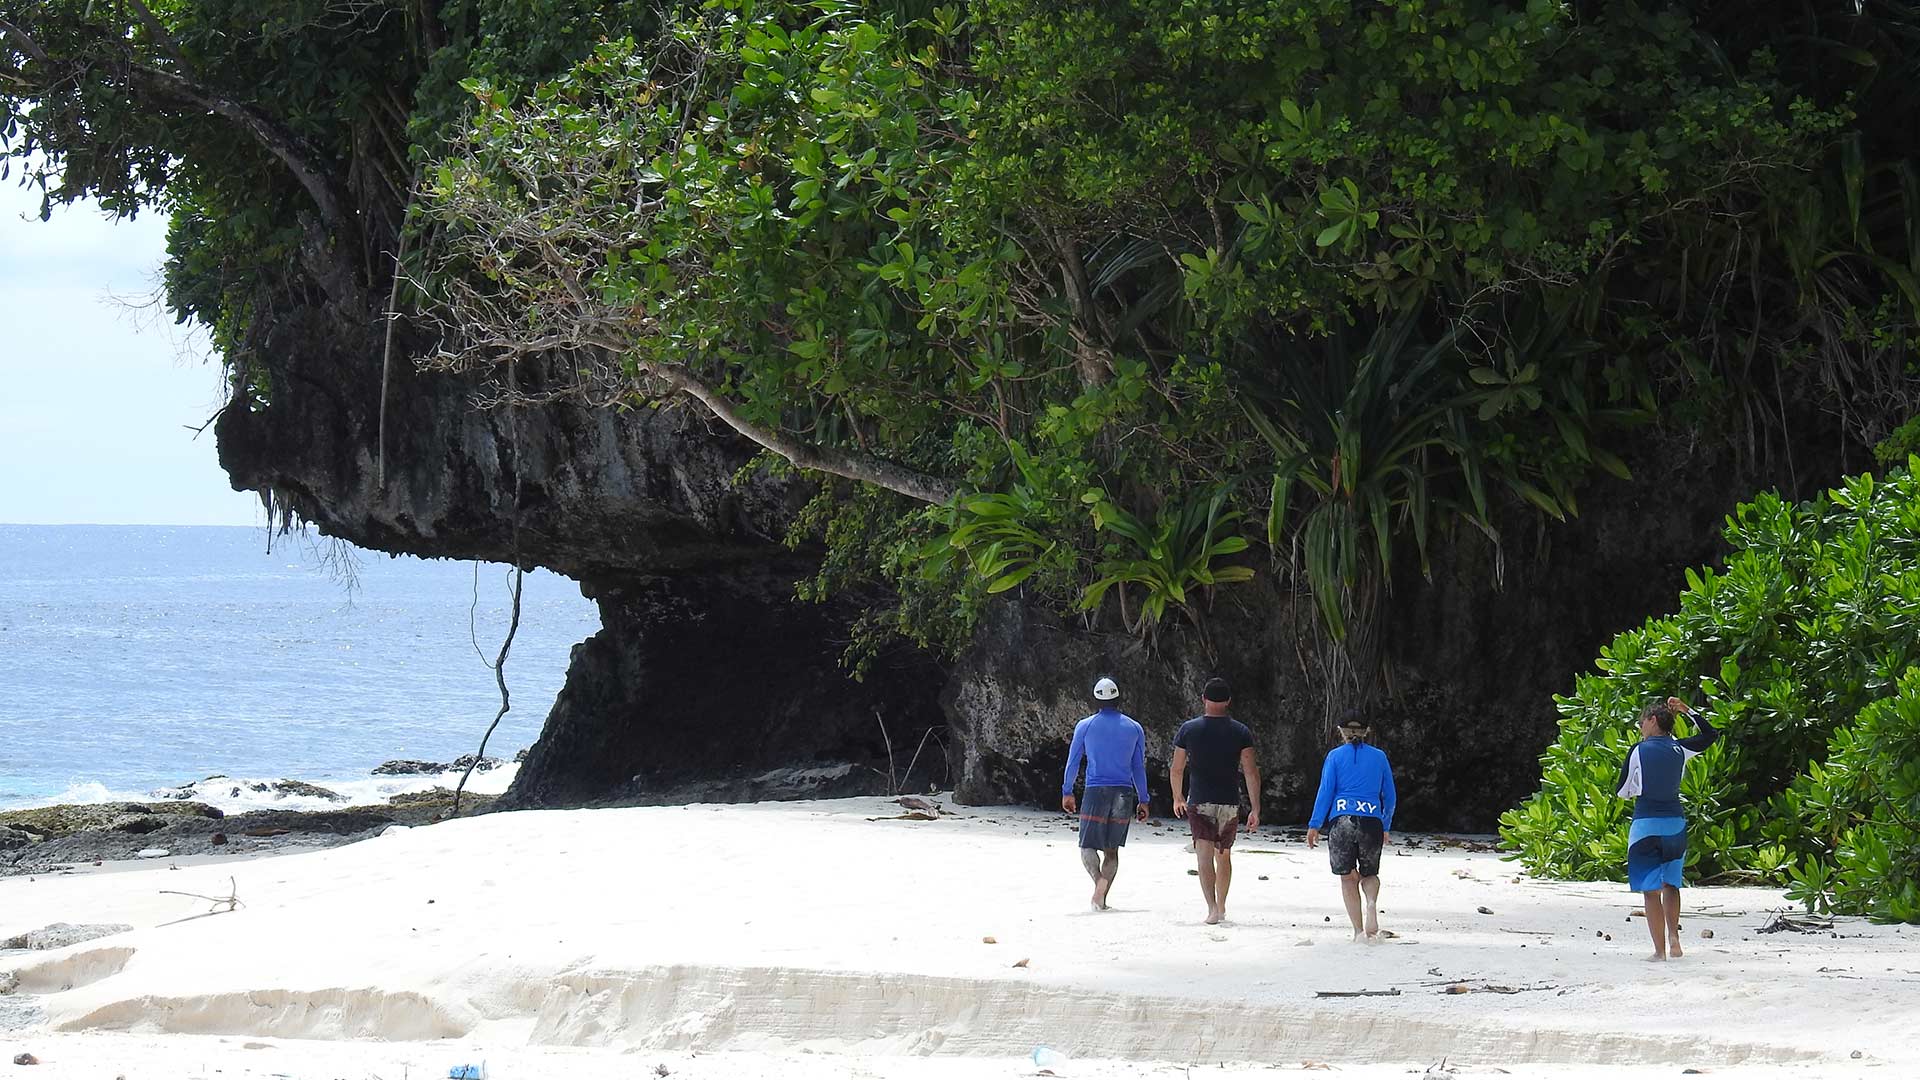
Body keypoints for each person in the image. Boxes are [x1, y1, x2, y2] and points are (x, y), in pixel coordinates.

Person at [1616, 696, 1721, 961]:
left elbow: (1622, 791)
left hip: (1646, 823)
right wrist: (1689, 711)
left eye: (1642, 721)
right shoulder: (1680, 748)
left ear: (1653, 721)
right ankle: (1675, 939)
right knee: (1671, 884)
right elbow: (1710, 735)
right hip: (1675, 822)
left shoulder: (1638, 750)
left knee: (1651, 891)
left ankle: (1659, 951)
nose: (1640, 726)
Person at [1171, 677, 1259, 925]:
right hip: (1229, 801)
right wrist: (1255, 807)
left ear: (1203, 699)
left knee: (1204, 856)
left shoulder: (1189, 729)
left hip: (1199, 800)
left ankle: (1211, 908)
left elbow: (1177, 768)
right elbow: (1251, 771)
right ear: (1228, 701)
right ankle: (1221, 905)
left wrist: (1178, 796)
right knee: (1224, 855)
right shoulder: (1241, 731)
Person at [1061, 676, 1150, 911]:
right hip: (1123, 792)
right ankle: (1101, 898)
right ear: (1119, 699)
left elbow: (1073, 762)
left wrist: (1067, 791)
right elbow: (1138, 767)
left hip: (1095, 791)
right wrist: (1144, 799)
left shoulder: (1085, 726)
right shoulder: (1134, 728)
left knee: (1087, 846)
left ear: (1095, 700)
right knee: (1111, 850)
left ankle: (1098, 881)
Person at [1306, 711, 1397, 942]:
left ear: (1340, 731)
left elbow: (1325, 791)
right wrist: (1385, 825)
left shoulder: (1335, 756)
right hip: (1371, 821)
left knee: (1347, 877)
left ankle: (1358, 931)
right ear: (1367, 732)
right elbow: (1390, 796)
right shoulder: (1379, 757)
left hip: (1342, 820)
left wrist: (1315, 824)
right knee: (1370, 873)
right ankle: (1372, 902)